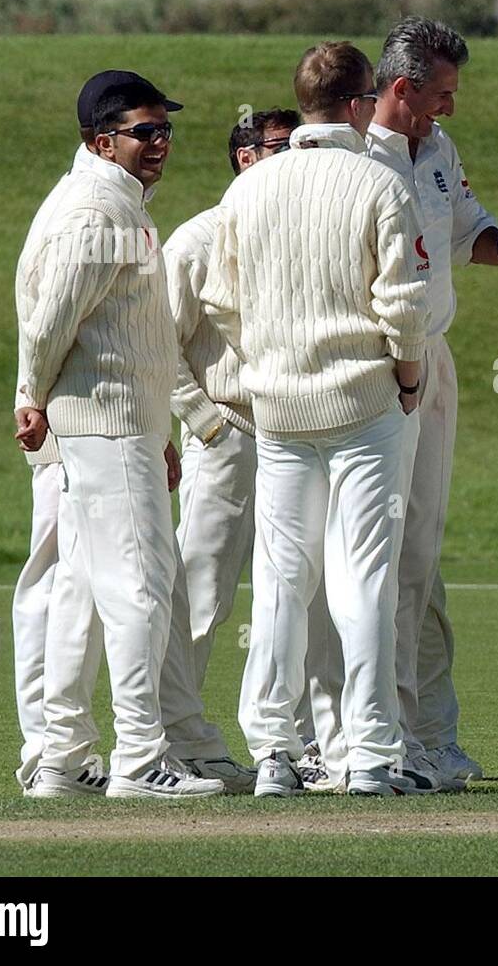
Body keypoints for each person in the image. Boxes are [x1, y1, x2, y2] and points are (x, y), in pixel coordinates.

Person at [201, 41, 433, 798]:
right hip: (362, 399)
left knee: (280, 577)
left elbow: (220, 301)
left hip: (279, 405)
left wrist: (262, 357)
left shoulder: (249, 190)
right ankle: (368, 754)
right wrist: (410, 374)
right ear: (361, 102)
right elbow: (404, 303)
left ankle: (273, 751)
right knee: (363, 578)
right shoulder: (378, 182)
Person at [365, 16, 498, 788]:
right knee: (373, 554)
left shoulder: (439, 149)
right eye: (443, 93)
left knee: (421, 550)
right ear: (402, 87)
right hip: (369, 365)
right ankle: (370, 734)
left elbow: (469, 234)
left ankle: (429, 731)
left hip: (433, 360)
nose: (452, 106)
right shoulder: (356, 156)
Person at [15, 72, 224, 798]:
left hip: (117, 421)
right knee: (141, 586)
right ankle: (140, 756)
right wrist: (30, 394)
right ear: (103, 140)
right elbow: (50, 318)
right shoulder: (98, 212)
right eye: (145, 130)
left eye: (166, 128)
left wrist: (159, 425)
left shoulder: (109, 200)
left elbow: (120, 330)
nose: (161, 142)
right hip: (102, 422)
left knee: (82, 589)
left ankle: (64, 758)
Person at [164, 108, 298, 690]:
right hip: (227, 432)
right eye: (285, 147)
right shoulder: (195, 240)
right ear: (247, 157)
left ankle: (294, 742)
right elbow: (157, 345)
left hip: (296, 433)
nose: (300, 159)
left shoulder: (299, 237)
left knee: (297, 591)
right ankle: (172, 736)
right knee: (201, 590)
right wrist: (206, 422)